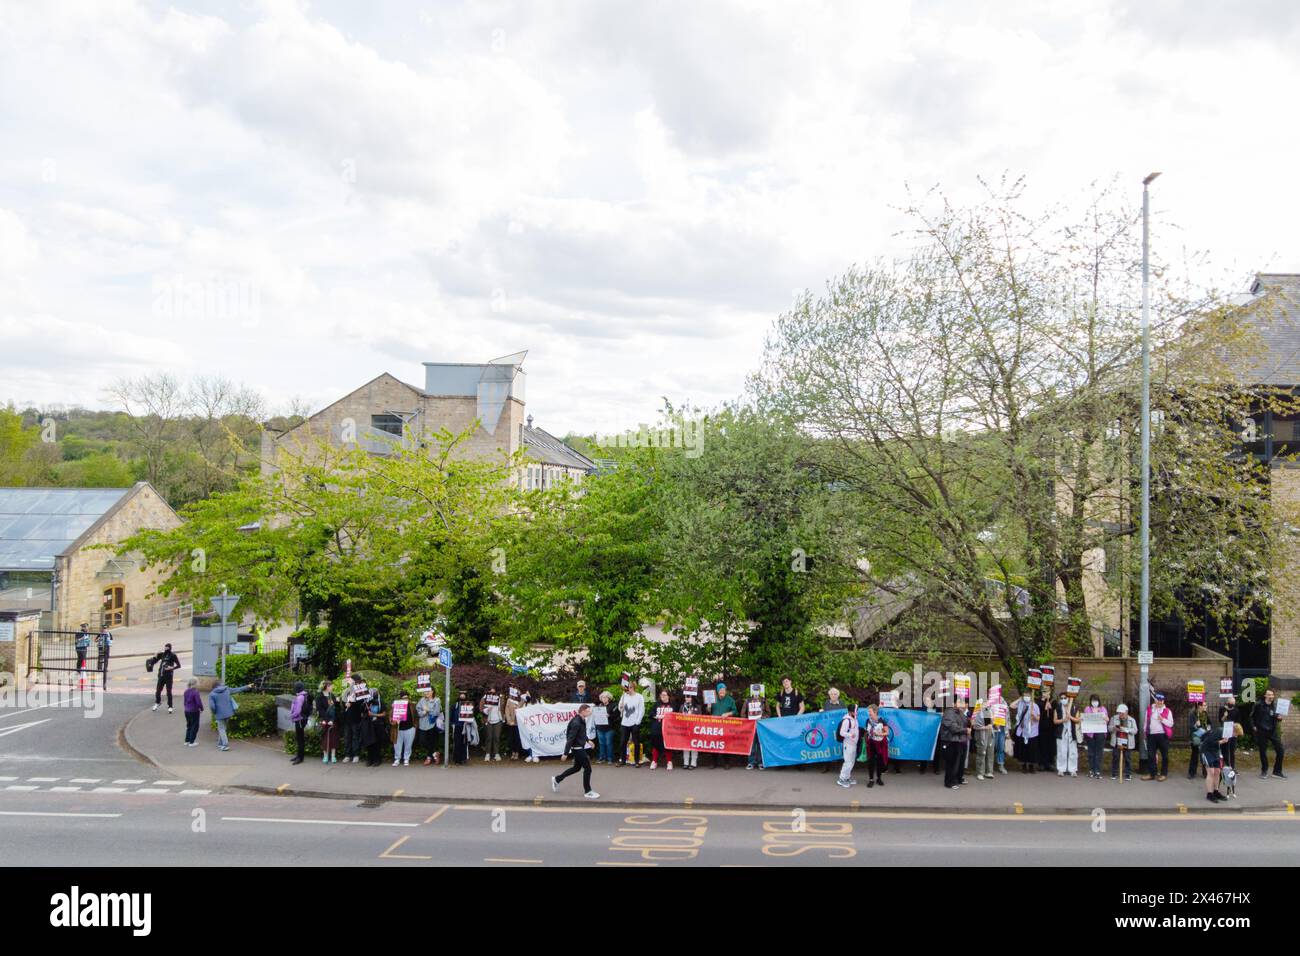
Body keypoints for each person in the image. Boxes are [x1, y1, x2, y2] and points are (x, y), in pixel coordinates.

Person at [551, 703, 599, 799]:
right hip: (577, 749)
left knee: (576, 768)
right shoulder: (576, 723)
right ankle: (587, 791)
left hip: (579, 747)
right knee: (588, 769)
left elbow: (582, 734)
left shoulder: (582, 720)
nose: (590, 712)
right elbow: (570, 738)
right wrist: (565, 753)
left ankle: (557, 779)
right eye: (588, 711)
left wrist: (588, 741)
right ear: (583, 711)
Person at [208, 678, 250, 752]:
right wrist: (247, 686)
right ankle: (220, 743)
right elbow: (238, 689)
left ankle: (225, 745)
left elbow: (212, 706)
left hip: (219, 714)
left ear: (214, 686)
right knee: (223, 728)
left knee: (221, 729)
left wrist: (214, 712)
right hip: (229, 713)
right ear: (220, 684)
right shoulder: (227, 689)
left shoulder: (212, 694)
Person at [1254, 688, 1287, 779]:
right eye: (1269, 695)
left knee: (1280, 750)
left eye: (1272, 695)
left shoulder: (1275, 706)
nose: (1271, 696)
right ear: (1265, 695)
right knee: (1263, 752)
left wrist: (1279, 718)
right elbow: (1251, 717)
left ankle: (1277, 771)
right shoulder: (1258, 705)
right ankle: (1264, 771)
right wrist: (1254, 726)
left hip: (1272, 731)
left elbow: (1276, 717)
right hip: (1261, 731)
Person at [1141, 692, 1174, 781]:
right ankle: (1152, 773)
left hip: (1163, 736)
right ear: (1155, 701)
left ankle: (1163, 774)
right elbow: (1146, 722)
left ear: (1163, 701)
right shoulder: (1149, 710)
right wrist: (1145, 732)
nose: (1159, 702)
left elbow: (1171, 724)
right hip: (1151, 735)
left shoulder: (1167, 711)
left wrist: (1162, 720)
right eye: (1158, 700)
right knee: (1151, 755)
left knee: (1165, 756)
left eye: (1161, 701)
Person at [940, 698, 968, 790]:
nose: (962, 704)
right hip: (950, 741)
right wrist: (966, 730)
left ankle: (957, 779)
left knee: (959, 762)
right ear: (953, 703)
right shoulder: (949, 712)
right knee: (951, 763)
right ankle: (949, 782)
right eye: (959, 702)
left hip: (960, 741)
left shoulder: (960, 713)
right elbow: (953, 728)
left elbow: (965, 724)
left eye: (963, 702)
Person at [618, 681, 646, 767]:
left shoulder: (639, 697)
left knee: (636, 742)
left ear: (634, 688)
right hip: (625, 723)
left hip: (634, 723)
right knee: (623, 742)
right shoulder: (624, 696)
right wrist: (621, 707)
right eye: (627, 688)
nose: (628, 689)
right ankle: (623, 760)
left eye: (630, 687)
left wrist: (637, 722)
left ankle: (637, 761)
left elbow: (642, 710)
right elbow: (620, 708)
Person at [710, 683, 737, 768]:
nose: (722, 691)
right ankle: (714, 763)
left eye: (724, 690)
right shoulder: (712, 698)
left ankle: (727, 763)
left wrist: (728, 714)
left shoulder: (730, 700)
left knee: (726, 743)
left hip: (726, 725)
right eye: (721, 690)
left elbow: (735, 711)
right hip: (714, 725)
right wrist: (708, 706)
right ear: (718, 691)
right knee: (714, 743)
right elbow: (707, 711)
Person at [1053, 693, 1081, 777]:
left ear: (1068, 698)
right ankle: (1061, 769)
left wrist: (1070, 717)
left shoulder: (1074, 708)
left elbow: (1078, 720)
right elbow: (1055, 721)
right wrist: (1063, 720)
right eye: (1061, 698)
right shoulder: (1057, 708)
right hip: (1061, 732)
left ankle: (1072, 770)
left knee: (1073, 752)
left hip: (1072, 733)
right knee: (1061, 751)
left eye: (1065, 697)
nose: (1063, 699)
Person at [864, 703, 891, 786]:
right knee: (871, 761)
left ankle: (879, 778)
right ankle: (871, 779)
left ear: (875, 711)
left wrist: (879, 734)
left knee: (880, 761)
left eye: (870, 711)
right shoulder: (868, 720)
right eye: (868, 711)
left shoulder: (882, 720)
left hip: (880, 744)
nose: (869, 713)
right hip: (871, 743)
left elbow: (887, 732)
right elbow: (867, 731)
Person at [1013, 689, 1040, 773]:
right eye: (1025, 696)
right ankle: (1024, 765)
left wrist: (1034, 715)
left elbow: (1038, 718)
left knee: (1031, 749)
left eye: (1028, 696)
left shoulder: (1035, 706)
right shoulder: (1021, 704)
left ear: (1031, 697)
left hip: (1032, 731)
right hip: (1022, 729)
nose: (1026, 697)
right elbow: (1012, 705)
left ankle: (1031, 766)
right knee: (1024, 748)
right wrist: (1020, 699)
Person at [149, 643, 181, 713]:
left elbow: (179, 665)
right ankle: (157, 702)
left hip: (169, 676)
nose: (165, 649)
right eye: (165, 648)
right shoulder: (162, 654)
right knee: (158, 691)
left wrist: (171, 667)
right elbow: (154, 661)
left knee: (169, 692)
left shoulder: (173, 655)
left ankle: (170, 706)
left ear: (170, 648)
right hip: (161, 675)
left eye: (167, 648)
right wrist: (155, 655)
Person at [1200, 718, 1226, 803]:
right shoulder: (1219, 731)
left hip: (1215, 752)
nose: (1235, 736)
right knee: (1211, 772)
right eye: (1235, 734)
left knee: (1218, 771)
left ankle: (1216, 791)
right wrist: (1222, 741)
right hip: (1207, 751)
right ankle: (1209, 794)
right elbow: (1211, 742)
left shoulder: (1227, 733)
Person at [1082, 694, 1108, 779]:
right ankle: (1091, 770)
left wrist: (1104, 717)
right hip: (1090, 733)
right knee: (1091, 752)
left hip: (1100, 733)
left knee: (1099, 752)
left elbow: (1107, 719)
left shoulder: (1103, 709)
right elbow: (1085, 719)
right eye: (1093, 700)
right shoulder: (1087, 709)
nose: (1095, 702)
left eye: (1096, 700)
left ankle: (1097, 770)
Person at [343, 676, 367, 763]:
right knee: (347, 737)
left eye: (351, 680)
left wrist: (353, 702)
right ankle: (347, 755)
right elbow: (343, 701)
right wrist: (345, 703)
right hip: (347, 718)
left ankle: (356, 754)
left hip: (356, 718)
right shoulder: (347, 691)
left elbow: (361, 704)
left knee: (355, 737)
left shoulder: (360, 691)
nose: (350, 682)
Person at [1110, 703, 1137, 781]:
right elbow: (1109, 728)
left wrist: (1127, 730)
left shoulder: (1132, 720)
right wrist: (1114, 728)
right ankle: (1114, 773)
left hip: (1127, 742)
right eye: (1119, 713)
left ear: (1126, 712)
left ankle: (1128, 774)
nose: (1120, 714)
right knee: (1115, 757)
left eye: (1122, 713)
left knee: (1128, 758)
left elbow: (1135, 730)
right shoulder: (1114, 718)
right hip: (1117, 741)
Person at [836, 701, 860, 788]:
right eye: (856, 710)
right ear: (851, 712)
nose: (857, 712)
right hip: (848, 744)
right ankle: (841, 779)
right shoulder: (846, 721)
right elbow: (842, 732)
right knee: (848, 762)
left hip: (854, 744)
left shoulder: (854, 719)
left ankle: (847, 777)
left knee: (852, 762)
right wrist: (850, 735)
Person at [649, 690, 674, 770]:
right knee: (655, 744)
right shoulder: (657, 704)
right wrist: (657, 716)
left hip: (668, 728)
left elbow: (676, 715)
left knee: (667, 745)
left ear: (668, 696)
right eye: (661, 695)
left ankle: (669, 762)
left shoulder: (673, 705)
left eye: (664, 695)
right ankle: (654, 761)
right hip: (657, 728)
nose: (662, 696)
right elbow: (651, 714)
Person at [289, 681, 312, 765]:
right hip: (302, 719)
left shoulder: (299, 697)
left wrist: (292, 715)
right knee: (300, 739)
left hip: (299, 720)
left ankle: (300, 758)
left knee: (300, 739)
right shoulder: (304, 695)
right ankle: (298, 755)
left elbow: (298, 710)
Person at [416, 689, 441, 766]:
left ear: (432, 691)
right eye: (425, 691)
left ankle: (429, 758)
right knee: (422, 741)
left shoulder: (436, 700)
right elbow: (418, 711)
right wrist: (423, 712)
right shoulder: (421, 700)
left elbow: (436, 712)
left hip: (432, 724)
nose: (426, 693)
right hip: (422, 724)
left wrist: (428, 710)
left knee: (431, 742)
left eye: (428, 691)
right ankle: (435, 754)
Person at [317, 680, 339, 764]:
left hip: (333, 720)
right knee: (325, 738)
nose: (332, 687)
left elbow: (335, 709)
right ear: (326, 687)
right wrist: (327, 720)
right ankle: (325, 755)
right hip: (325, 720)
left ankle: (333, 756)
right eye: (331, 686)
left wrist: (336, 702)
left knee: (334, 737)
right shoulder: (320, 697)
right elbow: (320, 710)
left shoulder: (332, 696)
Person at [392, 690, 416, 766]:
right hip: (398, 729)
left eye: (407, 698)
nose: (406, 699)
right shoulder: (395, 706)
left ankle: (406, 758)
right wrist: (395, 721)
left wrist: (415, 726)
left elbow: (416, 716)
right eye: (404, 698)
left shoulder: (412, 706)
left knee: (408, 745)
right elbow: (390, 717)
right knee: (397, 745)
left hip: (410, 728)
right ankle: (397, 759)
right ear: (400, 699)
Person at [363, 688, 387, 767]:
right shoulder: (368, 703)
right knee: (369, 743)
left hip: (378, 725)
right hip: (369, 726)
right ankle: (370, 759)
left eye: (375, 692)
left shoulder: (381, 702)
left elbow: (384, 714)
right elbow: (363, 714)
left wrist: (374, 715)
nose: (374, 694)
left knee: (377, 743)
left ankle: (377, 760)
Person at [821, 687, 843, 772]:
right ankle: (826, 766)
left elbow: (844, 714)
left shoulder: (841, 703)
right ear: (829, 695)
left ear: (838, 695)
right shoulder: (826, 703)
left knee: (839, 746)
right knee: (828, 746)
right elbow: (824, 715)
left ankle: (840, 766)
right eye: (832, 694)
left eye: (835, 694)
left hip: (839, 728)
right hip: (829, 728)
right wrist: (821, 711)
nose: (833, 696)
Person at [971, 699, 994, 780]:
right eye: (984, 703)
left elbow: (993, 723)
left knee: (990, 752)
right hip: (981, 735)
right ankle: (980, 773)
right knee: (981, 753)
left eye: (987, 702)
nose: (986, 704)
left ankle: (989, 771)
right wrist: (984, 727)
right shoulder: (977, 712)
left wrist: (992, 723)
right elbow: (974, 725)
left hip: (989, 735)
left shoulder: (990, 712)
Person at [1187, 700, 1210, 780]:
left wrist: (1208, 728)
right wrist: (1196, 725)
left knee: (1204, 755)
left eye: (1206, 705)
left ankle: (1205, 772)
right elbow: (1190, 726)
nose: (1206, 707)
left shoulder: (1205, 713)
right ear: (1199, 706)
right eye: (1204, 705)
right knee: (1195, 755)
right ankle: (1192, 772)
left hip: (1204, 737)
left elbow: (1209, 723)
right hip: (1196, 737)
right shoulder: (1192, 714)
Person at [1217, 694, 1240, 772]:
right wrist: (1224, 716)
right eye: (1231, 703)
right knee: (1225, 749)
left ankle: (1232, 767)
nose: (1232, 705)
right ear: (1227, 702)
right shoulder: (1222, 709)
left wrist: (1236, 732)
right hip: (1225, 731)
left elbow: (1237, 722)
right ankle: (1225, 765)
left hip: (1233, 732)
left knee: (1232, 750)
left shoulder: (1236, 710)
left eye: (1233, 703)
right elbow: (1220, 720)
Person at [744, 686, 765, 770]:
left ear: (760, 691)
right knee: (751, 744)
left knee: (760, 744)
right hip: (751, 726)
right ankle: (751, 762)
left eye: (757, 690)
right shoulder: (748, 701)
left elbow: (768, 712)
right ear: (752, 691)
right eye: (754, 690)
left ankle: (760, 762)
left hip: (760, 725)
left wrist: (762, 717)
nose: (756, 692)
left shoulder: (763, 700)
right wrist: (748, 719)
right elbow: (743, 713)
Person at [1035, 691, 1056, 773]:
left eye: (1047, 692)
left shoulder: (1053, 701)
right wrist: (1045, 708)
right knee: (1042, 745)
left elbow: (1055, 713)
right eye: (1044, 692)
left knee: (1050, 746)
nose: (1045, 693)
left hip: (1051, 728)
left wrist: (1051, 709)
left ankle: (1050, 763)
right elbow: (1038, 713)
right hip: (1041, 727)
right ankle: (1041, 763)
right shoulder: (1038, 702)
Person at [679, 693, 701, 770]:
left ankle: (693, 762)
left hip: (694, 728)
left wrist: (692, 716)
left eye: (689, 697)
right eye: (686, 697)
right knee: (685, 745)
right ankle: (686, 762)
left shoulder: (697, 707)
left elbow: (700, 718)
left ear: (692, 698)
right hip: (685, 728)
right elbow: (678, 717)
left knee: (694, 745)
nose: (687, 698)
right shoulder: (682, 707)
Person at [593, 691, 616, 764]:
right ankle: (602, 758)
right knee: (601, 744)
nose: (604, 699)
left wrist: (609, 716)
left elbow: (616, 717)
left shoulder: (613, 706)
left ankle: (610, 759)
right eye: (602, 697)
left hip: (609, 728)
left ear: (609, 698)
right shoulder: (599, 706)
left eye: (605, 697)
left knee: (609, 744)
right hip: (600, 728)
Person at [481, 687, 503, 762]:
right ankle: (487, 754)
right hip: (488, 720)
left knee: (497, 737)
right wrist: (487, 709)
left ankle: (496, 753)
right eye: (491, 690)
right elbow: (481, 708)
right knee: (489, 737)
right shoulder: (485, 697)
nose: (492, 691)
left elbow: (503, 707)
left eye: (494, 689)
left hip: (498, 720)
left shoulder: (500, 697)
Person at [990, 695, 1009, 774]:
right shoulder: (989, 703)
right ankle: (989, 767)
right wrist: (994, 723)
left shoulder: (1004, 703)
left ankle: (1001, 765)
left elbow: (1007, 718)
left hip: (1002, 729)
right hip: (992, 729)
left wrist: (1007, 731)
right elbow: (987, 716)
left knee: (1001, 747)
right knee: (991, 748)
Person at [452, 691, 472, 765]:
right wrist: (452, 724)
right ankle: (457, 760)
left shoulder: (469, 705)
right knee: (457, 743)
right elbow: (451, 717)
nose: (462, 696)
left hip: (465, 726)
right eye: (461, 695)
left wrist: (468, 722)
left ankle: (463, 758)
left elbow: (471, 716)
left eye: (464, 695)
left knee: (464, 743)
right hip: (457, 726)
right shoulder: (455, 706)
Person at [182, 678, 203, 746]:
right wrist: (201, 708)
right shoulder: (195, 692)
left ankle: (187, 740)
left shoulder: (186, 691)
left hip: (187, 711)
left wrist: (186, 707)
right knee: (195, 726)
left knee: (189, 725)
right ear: (195, 684)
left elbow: (185, 701)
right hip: (194, 711)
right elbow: (198, 702)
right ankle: (192, 742)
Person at [503, 687, 522, 761]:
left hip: (518, 723)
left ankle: (517, 753)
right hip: (510, 723)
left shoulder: (521, 701)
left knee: (517, 738)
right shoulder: (509, 700)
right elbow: (507, 711)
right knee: (511, 739)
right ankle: (513, 752)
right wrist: (509, 720)